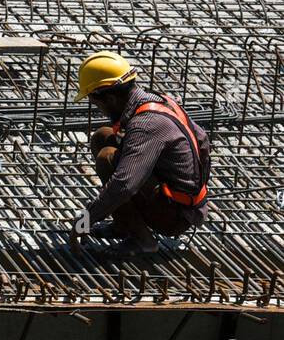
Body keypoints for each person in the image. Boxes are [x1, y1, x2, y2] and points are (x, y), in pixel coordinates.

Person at [71, 51, 211, 256]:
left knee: (107, 157)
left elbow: (124, 184)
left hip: (174, 213)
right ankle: (123, 225)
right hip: (181, 199)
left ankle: (143, 241)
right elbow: (203, 142)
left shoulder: (146, 124)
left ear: (109, 98)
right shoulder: (159, 101)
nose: (99, 109)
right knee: (103, 137)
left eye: (96, 102)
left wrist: (85, 220)